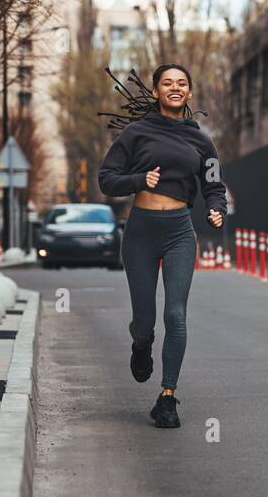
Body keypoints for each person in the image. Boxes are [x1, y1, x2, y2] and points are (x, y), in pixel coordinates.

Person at [97, 63, 227, 428]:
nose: (175, 88)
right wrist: (141, 178)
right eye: (167, 83)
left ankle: (167, 397)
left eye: (182, 83)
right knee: (145, 319)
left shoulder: (201, 140)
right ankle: (141, 343)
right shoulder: (136, 134)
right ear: (155, 91)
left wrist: (217, 209)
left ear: (189, 92)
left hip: (179, 233)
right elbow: (107, 180)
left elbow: (214, 185)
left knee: (176, 314)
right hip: (140, 232)